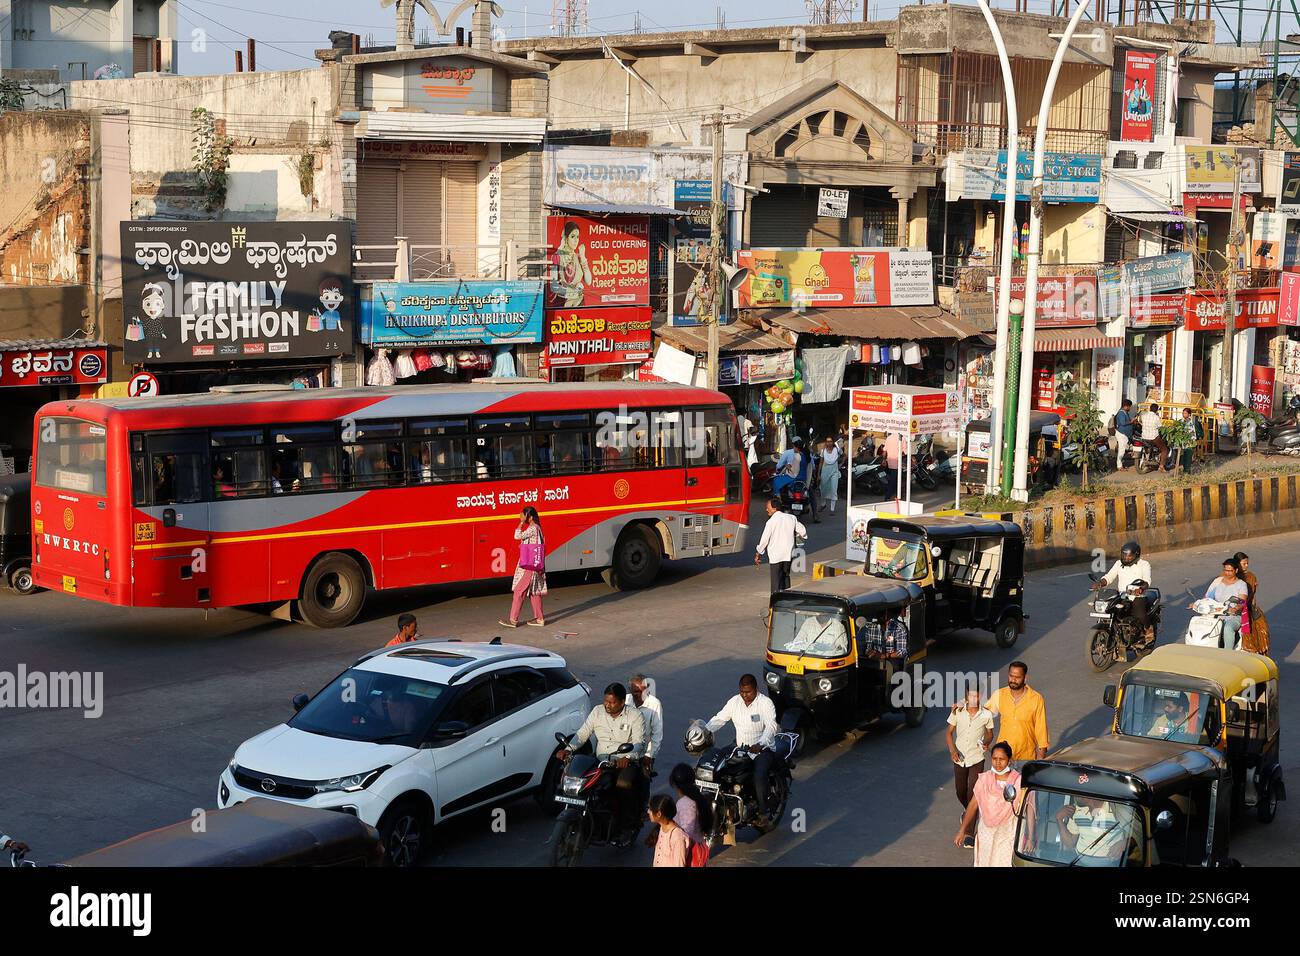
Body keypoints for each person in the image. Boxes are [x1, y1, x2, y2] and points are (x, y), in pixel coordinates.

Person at [556, 683, 647, 844]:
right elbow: (583, 733)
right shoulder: (597, 711)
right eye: (606, 701)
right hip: (600, 761)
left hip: (623, 763)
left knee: (623, 784)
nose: (607, 705)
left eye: (612, 702)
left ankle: (627, 826)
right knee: (579, 778)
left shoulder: (635, 716)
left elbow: (640, 743)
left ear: (621, 702)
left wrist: (628, 757)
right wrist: (569, 749)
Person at [704, 674, 782, 829]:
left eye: (749, 692)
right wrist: (704, 730)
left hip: (763, 749)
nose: (745, 696)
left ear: (756, 689)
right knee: (718, 764)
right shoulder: (735, 701)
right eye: (742, 692)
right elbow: (720, 718)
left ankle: (763, 812)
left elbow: (772, 726)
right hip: (740, 747)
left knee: (758, 775)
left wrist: (760, 744)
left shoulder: (765, 703)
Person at [953, 741, 1020, 867]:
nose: (998, 763)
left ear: (1009, 761)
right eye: (995, 759)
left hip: (1008, 835)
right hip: (986, 835)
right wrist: (962, 830)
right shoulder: (984, 780)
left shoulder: (1017, 781)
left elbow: (1029, 810)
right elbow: (973, 805)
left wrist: (1030, 838)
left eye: (1002, 759)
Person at [948, 688, 995, 848]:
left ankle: (969, 833)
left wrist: (987, 742)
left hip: (977, 758)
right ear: (966, 695)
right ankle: (967, 811)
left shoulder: (986, 714)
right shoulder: (958, 712)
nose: (974, 698)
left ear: (980, 696)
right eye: (971, 695)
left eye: (977, 695)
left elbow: (990, 733)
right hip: (960, 758)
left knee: (973, 792)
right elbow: (949, 733)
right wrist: (953, 750)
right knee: (960, 791)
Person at [1092, 540, 1155, 646]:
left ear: (1136, 555)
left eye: (1129, 556)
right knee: (1110, 610)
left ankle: (1148, 629)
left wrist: (1141, 588)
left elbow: (1147, 581)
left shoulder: (1144, 564)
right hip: (1121, 595)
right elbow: (1109, 577)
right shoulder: (1118, 564)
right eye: (1124, 555)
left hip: (1138, 596)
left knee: (1139, 613)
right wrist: (1100, 583)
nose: (1126, 558)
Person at [986, 661, 1049, 764]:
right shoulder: (1000, 694)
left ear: (1025, 677)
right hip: (1003, 756)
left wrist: (1041, 755)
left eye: (1017, 677)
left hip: (1026, 756)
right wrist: (965, 704)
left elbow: (1041, 728)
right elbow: (982, 713)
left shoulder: (1036, 699)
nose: (1013, 680)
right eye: (1011, 676)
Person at [500, 506, 547, 628]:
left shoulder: (533, 528)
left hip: (530, 566)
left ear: (530, 517)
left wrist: (520, 523)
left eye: (523, 515)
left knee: (519, 591)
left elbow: (517, 536)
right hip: (535, 565)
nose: (521, 517)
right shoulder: (537, 528)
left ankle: (513, 620)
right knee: (534, 592)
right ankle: (540, 619)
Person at [1194, 557, 1249, 650]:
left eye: (1230, 571)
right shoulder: (1217, 581)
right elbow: (1207, 597)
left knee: (1228, 628)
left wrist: (1235, 608)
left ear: (1236, 570)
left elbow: (1242, 601)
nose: (1227, 573)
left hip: (1234, 616)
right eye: (1225, 570)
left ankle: (1228, 653)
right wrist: (1197, 604)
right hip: (1215, 614)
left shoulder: (1241, 584)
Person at [755, 496, 807, 594]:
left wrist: (759, 553)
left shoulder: (771, 522)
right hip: (788, 554)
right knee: (786, 576)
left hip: (776, 556)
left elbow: (764, 540)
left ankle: (775, 603)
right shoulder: (791, 518)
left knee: (776, 581)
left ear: (775, 508)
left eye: (768, 507)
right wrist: (798, 539)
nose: (766, 510)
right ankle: (787, 599)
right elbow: (803, 531)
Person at [1055, 795, 1129, 863]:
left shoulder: (1117, 808)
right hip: (1078, 862)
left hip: (1112, 863)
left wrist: (1125, 843)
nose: (1074, 794)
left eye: (1079, 790)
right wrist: (1059, 819)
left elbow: (1138, 835)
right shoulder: (1075, 810)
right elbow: (1070, 843)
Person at [668, 763, 713, 866]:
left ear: (675, 784)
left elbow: (686, 833)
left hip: (689, 856)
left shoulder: (685, 803)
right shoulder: (697, 798)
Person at [1234, 551, 1270, 655]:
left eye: (1247, 563)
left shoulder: (1250, 576)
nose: (1246, 566)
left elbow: (1251, 596)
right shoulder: (1232, 576)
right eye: (1244, 563)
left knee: (1262, 629)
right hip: (1241, 607)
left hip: (1247, 606)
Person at [629, 674, 663, 774]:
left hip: (643, 754)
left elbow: (657, 733)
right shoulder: (625, 700)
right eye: (636, 692)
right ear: (630, 690)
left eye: (643, 691)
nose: (640, 694)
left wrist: (649, 755)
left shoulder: (655, 704)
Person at [647, 794, 690, 867]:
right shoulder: (662, 828)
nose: (648, 811)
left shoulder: (677, 837)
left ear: (659, 814)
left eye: (650, 809)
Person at [1139, 402, 1171, 472]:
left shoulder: (1143, 416)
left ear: (1150, 409)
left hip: (1144, 437)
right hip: (1154, 438)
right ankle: (1161, 466)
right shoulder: (1156, 417)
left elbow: (1141, 423)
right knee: (1165, 450)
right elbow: (1160, 427)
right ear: (1157, 410)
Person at [818, 436, 842, 515]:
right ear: (826, 443)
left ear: (833, 442)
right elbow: (821, 463)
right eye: (827, 441)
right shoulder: (823, 451)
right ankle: (823, 504)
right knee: (823, 489)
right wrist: (818, 474)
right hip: (825, 472)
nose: (829, 443)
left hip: (834, 472)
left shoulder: (837, 450)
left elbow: (844, 455)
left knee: (833, 490)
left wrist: (840, 464)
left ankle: (832, 509)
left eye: (830, 441)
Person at [1180, 408, 1203, 473]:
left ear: (1189, 414)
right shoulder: (1180, 421)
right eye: (1183, 413)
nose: (1183, 414)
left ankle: (1187, 471)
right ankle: (1185, 470)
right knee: (1184, 457)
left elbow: (1199, 430)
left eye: (1185, 413)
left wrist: (1199, 437)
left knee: (1188, 456)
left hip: (1191, 442)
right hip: (1183, 442)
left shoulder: (1193, 422)